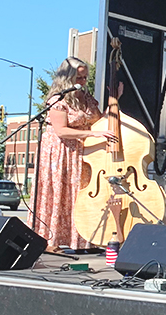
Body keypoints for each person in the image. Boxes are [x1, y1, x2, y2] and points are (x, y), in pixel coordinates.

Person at [31, 57, 118, 253]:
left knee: (79, 195)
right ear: (67, 78)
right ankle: (50, 241)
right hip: (60, 151)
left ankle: (82, 240)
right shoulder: (57, 100)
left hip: (82, 152)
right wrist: (92, 133)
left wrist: (115, 100)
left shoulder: (86, 99)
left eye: (85, 77)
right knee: (59, 195)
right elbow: (61, 131)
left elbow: (99, 121)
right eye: (79, 77)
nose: (83, 81)